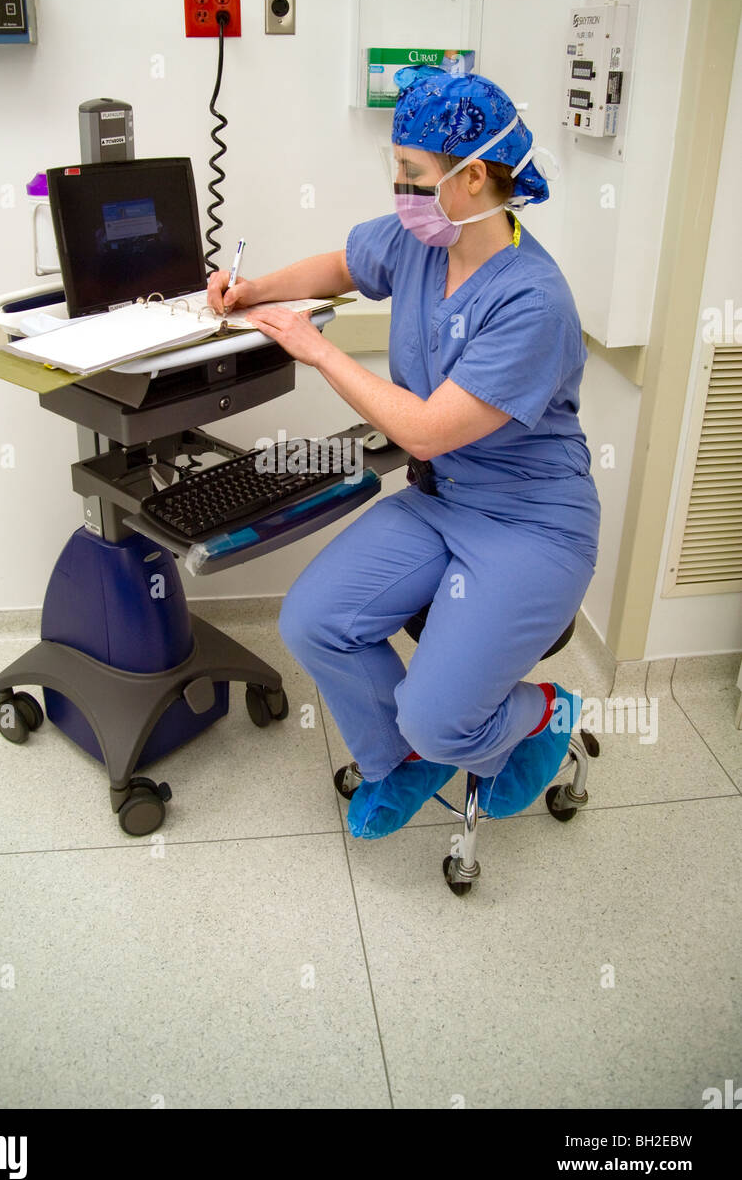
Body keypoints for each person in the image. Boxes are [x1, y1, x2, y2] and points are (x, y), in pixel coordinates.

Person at [206, 66, 600, 838]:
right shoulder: (426, 243)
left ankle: (539, 715)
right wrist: (255, 291)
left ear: (473, 177)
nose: (400, 189)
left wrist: (316, 350)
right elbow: (345, 265)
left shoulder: (532, 299)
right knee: (313, 620)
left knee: (441, 718)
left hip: (532, 525)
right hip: (441, 501)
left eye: (413, 175)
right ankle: (399, 764)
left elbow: (422, 429)